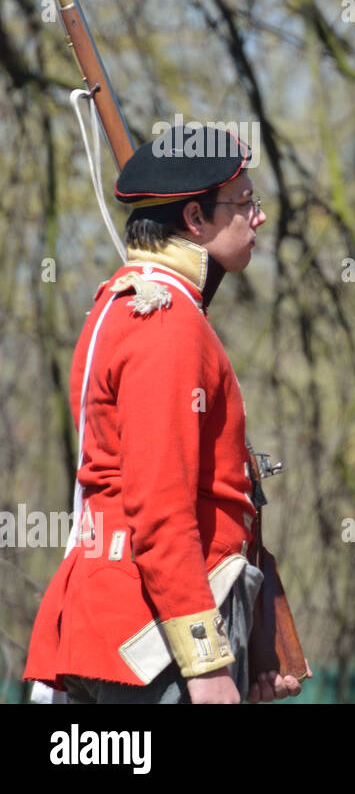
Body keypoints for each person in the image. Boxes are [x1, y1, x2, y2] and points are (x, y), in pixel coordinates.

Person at [25, 124, 300, 704]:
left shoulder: (131, 305)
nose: (259, 218)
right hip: (152, 642)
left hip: (131, 624)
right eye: (245, 203)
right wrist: (206, 663)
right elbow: (161, 503)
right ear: (195, 220)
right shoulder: (166, 322)